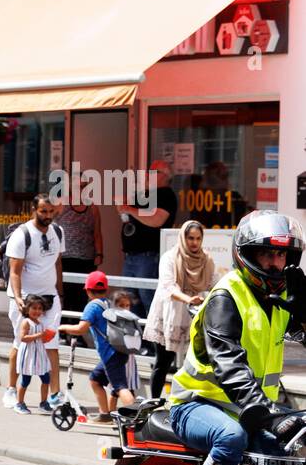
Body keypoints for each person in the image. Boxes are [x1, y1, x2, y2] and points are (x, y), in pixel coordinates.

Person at [166, 211, 306, 465]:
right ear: (247, 255)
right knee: (230, 437)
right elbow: (229, 365)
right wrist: (267, 415)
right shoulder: (226, 298)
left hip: (252, 407)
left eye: (282, 256)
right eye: (267, 255)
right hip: (198, 404)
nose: (276, 264)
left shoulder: (280, 297)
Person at [1, 196, 65, 410]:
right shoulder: (22, 235)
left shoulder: (57, 232)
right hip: (27, 298)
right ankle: (11, 390)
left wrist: (60, 292)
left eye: (51, 211)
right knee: (21, 344)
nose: (48, 215)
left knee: (52, 344)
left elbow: (57, 263)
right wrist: (19, 298)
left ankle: (55, 394)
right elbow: (15, 271)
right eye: (43, 211)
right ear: (33, 210)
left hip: (49, 296)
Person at [143, 219, 215, 400]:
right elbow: (168, 286)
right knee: (163, 363)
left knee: (192, 364)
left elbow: (214, 284)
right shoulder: (170, 257)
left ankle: (186, 403)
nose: (194, 243)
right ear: (183, 237)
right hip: (169, 314)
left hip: (193, 315)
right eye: (191, 238)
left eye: (198, 238)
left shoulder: (207, 260)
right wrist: (188, 299)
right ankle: (154, 403)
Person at [57, 271, 136, 422]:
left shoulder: (92, 307)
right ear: (106, 289)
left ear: (87, 290)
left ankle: (137, 422)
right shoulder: (108, 303)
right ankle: (105, 414)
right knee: (95, 380)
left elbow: (81, 329)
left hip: (111, 353)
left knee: (120, 387)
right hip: (118, 351)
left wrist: (62, 327)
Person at [118, 160, 176, 315]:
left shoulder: (166, 195)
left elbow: (157, 220)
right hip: (131, 255)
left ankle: (152, 338)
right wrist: (125, 207)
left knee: (147, 298)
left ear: (165, 176)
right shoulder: (144, 194)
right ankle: (136, 337)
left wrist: (130, 209)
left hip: (148, 256)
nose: (148, 175)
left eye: (153, 172)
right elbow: (128, 215)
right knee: (129, 300)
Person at [56, 195, 102, 313]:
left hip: (86, 260)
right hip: (63, 258)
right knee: (63, 293)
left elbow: (97, 232)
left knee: (81, 296)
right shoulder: (60, 204)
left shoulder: (92, 207)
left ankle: (77, 328)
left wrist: (99, 254)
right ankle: (63, 327)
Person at [13, 295, 53, 415]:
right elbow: (23, 338)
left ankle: (43, 402)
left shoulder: (40, 323)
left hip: (39, 354)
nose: (37, 311)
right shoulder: (26, 322)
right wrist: (39, 335)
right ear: (27, 308)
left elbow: (41, 338)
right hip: (29, 355)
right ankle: (19, 403)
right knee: (25, 380)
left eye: (39, 308)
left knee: (46, 379)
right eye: (34, 308)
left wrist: (47, 336)